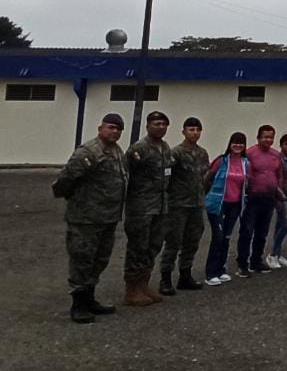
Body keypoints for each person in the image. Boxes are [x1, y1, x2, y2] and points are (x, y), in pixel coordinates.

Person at [52, 112, 128, 324]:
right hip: (86, 218)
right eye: (110, 127)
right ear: (100, 127)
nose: (114, 132)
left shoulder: (117, 152)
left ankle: (90, 297)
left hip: (108, 217)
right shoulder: (89, 152)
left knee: (100, 259)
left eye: (118, 129)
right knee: (82, 259)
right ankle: (78, 304)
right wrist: (78, 201)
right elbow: (65, 181)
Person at [123, 110, 175, 305]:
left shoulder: (165, 148)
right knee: (138, 247)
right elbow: (127, 174)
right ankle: (131, 290)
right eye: (156, 124)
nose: (160, 127)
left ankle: (144, 284)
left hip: (160, 206)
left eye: (163, 124)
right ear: (147, 126)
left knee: (153, 246)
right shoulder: (139, 149)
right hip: (141, 207)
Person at [159, 116, 208, 295]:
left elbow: (204, 177)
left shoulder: (202, 153)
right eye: (191, 129)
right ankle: (165, 278)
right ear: (184, 132)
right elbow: (166, 177)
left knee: (192, 241)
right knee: (173, 241)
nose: (195, 133)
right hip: (178, 205)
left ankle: (185, 275)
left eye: (197, 130)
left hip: (196, 205)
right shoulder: (176, 153)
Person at [203, 131, 249, 287]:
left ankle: (221, 269)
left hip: (234, 204)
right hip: (218, 204)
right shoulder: (221, 161)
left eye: (241, 143)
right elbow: (207, 178)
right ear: (230, 144)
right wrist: (207, 196)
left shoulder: (245, 163)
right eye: (235, 142)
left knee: (227, 237)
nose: (238, 145)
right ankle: (210, 272)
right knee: (218, 236)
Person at [238, 124, 284, 276]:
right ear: (258, 137)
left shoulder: (276, 155)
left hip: (269, 197)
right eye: (265, 136)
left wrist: (279, 194)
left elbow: (279, 176)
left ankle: (256, 260)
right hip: (252, 197)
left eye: (271, 137)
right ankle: (242, 263)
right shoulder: (250, 153)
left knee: (262, 232)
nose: (268, 139)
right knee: (247, 231)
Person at [268, 133, 287, 270]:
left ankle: (278, 254)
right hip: (280, 195)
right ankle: (272, 254)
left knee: (280, 225)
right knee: (286, 225)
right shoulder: (277, 159)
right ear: (281, 144)